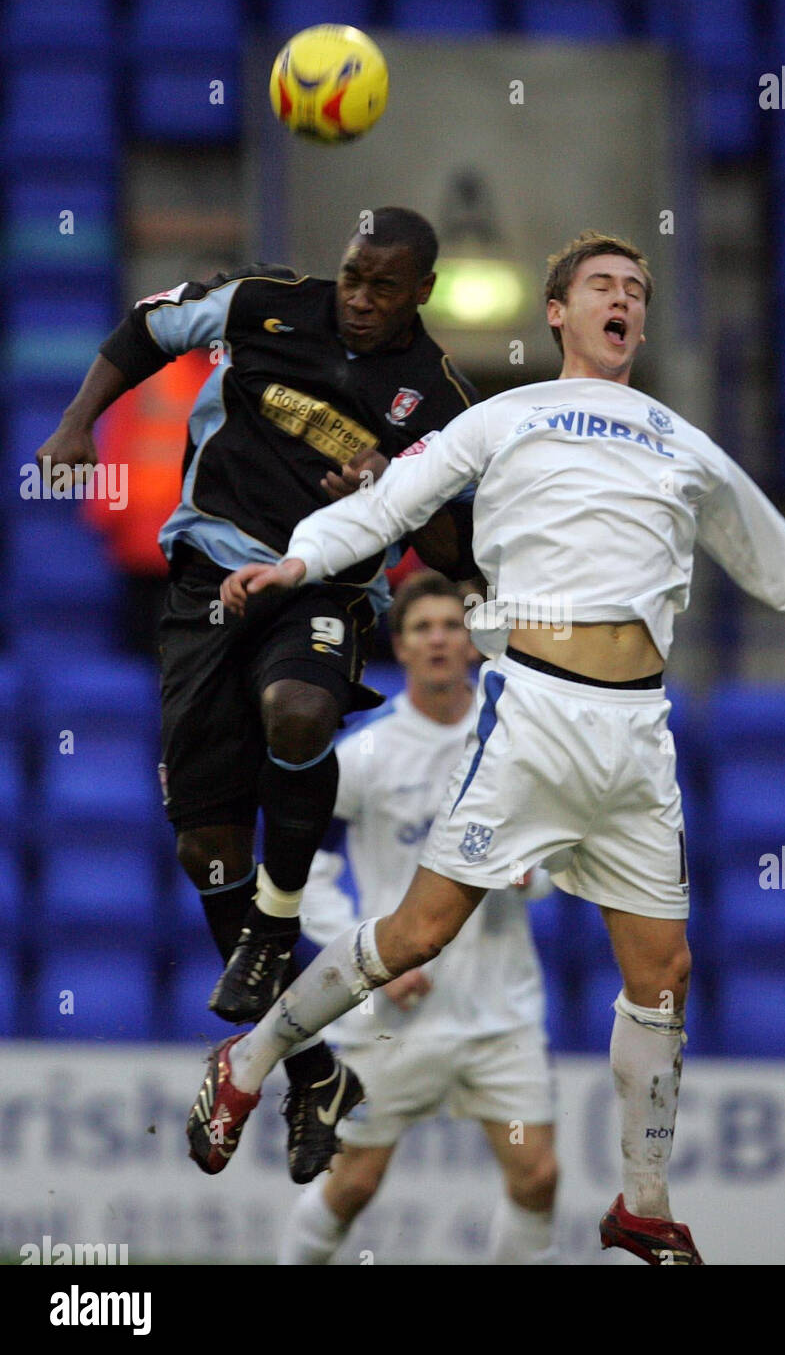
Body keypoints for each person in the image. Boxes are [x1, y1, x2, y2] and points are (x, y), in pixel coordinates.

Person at [190, 229, 785, 1265]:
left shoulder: (682, 440)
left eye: (637, 290)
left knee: (664, 972)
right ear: (558, 314)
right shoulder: (503, 417)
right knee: (415, 934)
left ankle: (643, 1205)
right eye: (603, 286)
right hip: (534, 710)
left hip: (638, 738)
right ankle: (249, 1058)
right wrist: (296, 561)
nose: (623, 300)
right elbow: (390, 505)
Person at [36, 208, 479, 1184]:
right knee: (203, 847)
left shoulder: (440, 398)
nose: (359, 299)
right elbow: (144, 331)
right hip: (204, 578)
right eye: (353, 276)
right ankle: (315, 1068)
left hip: (324, 588)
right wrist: (78, 423)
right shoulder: (268, 306)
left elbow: (455, 551)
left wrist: (392, 481)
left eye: (381, 286)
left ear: (421, 294)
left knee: (300, 713)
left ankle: (276, 925)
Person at [279, 571, 558, 1265]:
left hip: (499, 1011)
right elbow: (304, 868)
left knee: (539, 1175)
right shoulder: (362, 751)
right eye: (420, 628)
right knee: (354, 1184)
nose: (437, 639)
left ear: (472, 644)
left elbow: (553, 861)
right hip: (391, 1017)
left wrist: (531, 876)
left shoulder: (512, 743)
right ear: (399, 648)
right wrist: (371, 959)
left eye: (450, 626)